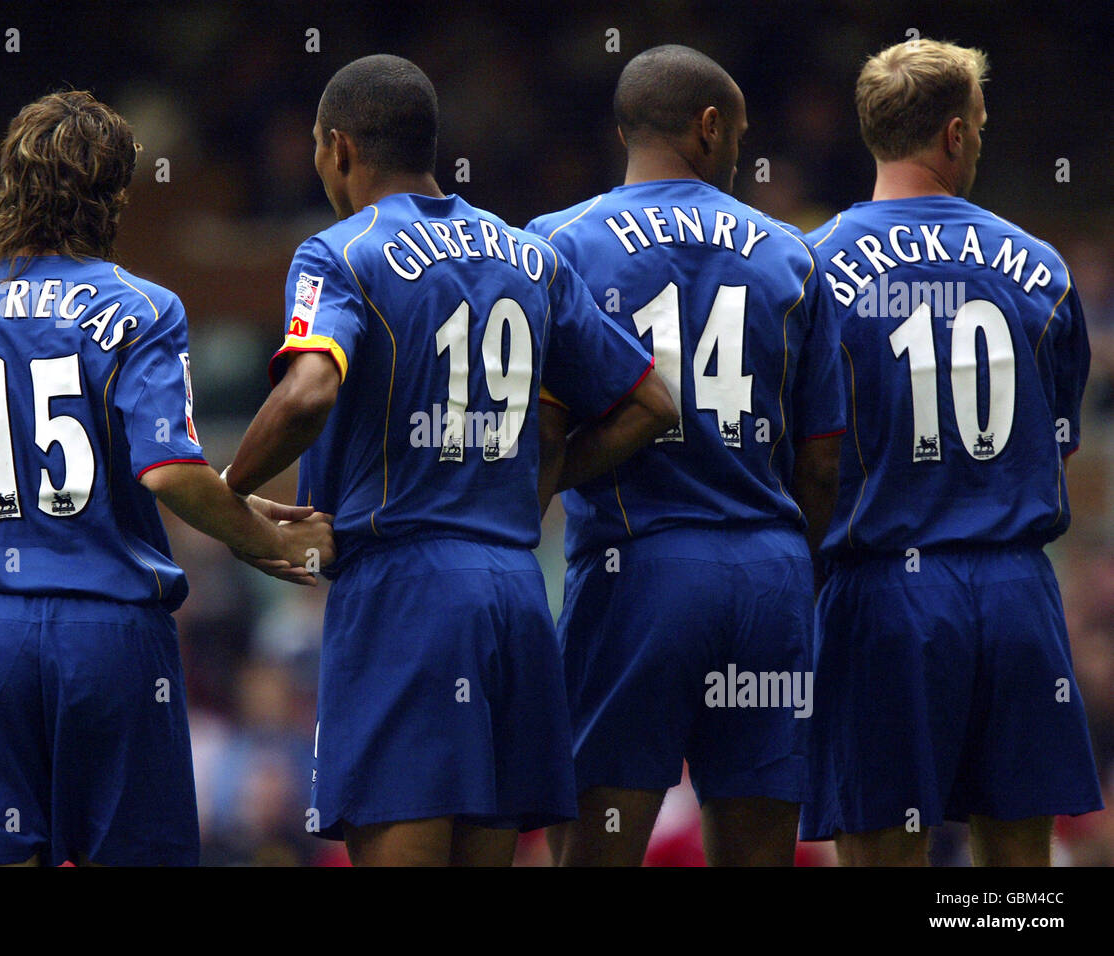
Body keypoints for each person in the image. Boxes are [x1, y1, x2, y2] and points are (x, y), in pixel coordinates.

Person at [0, 90, 334, 867]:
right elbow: (170, 472)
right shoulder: (145, 309)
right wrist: (259, 538)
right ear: (112, 197)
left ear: (9, 184)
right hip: (111, 638)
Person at [223, 54, 679, 866]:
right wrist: (528, 487)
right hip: (512, 592)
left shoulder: (339, 253)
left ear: (337, 149)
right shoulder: (529, 255)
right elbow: (652, 405)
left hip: (405, 600)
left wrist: (225, 498)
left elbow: (307, 395)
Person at [528, 45, 843, 866]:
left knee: (598, 851)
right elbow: (821, 467)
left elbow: (543, 448)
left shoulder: (554, 243)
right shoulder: (792, 253)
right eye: (737, 134)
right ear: (709, 128)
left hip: (636, 578)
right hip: (767, 576)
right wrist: (793, 568)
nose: (739, 152)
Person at [802, 39, 1102, 865]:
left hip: (881, 595)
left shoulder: (814, 268)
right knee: (1017, 877)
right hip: (1015, 593)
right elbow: (1057, 443)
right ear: (956, 137)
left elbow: (815, 461)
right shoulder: (1041, 268)